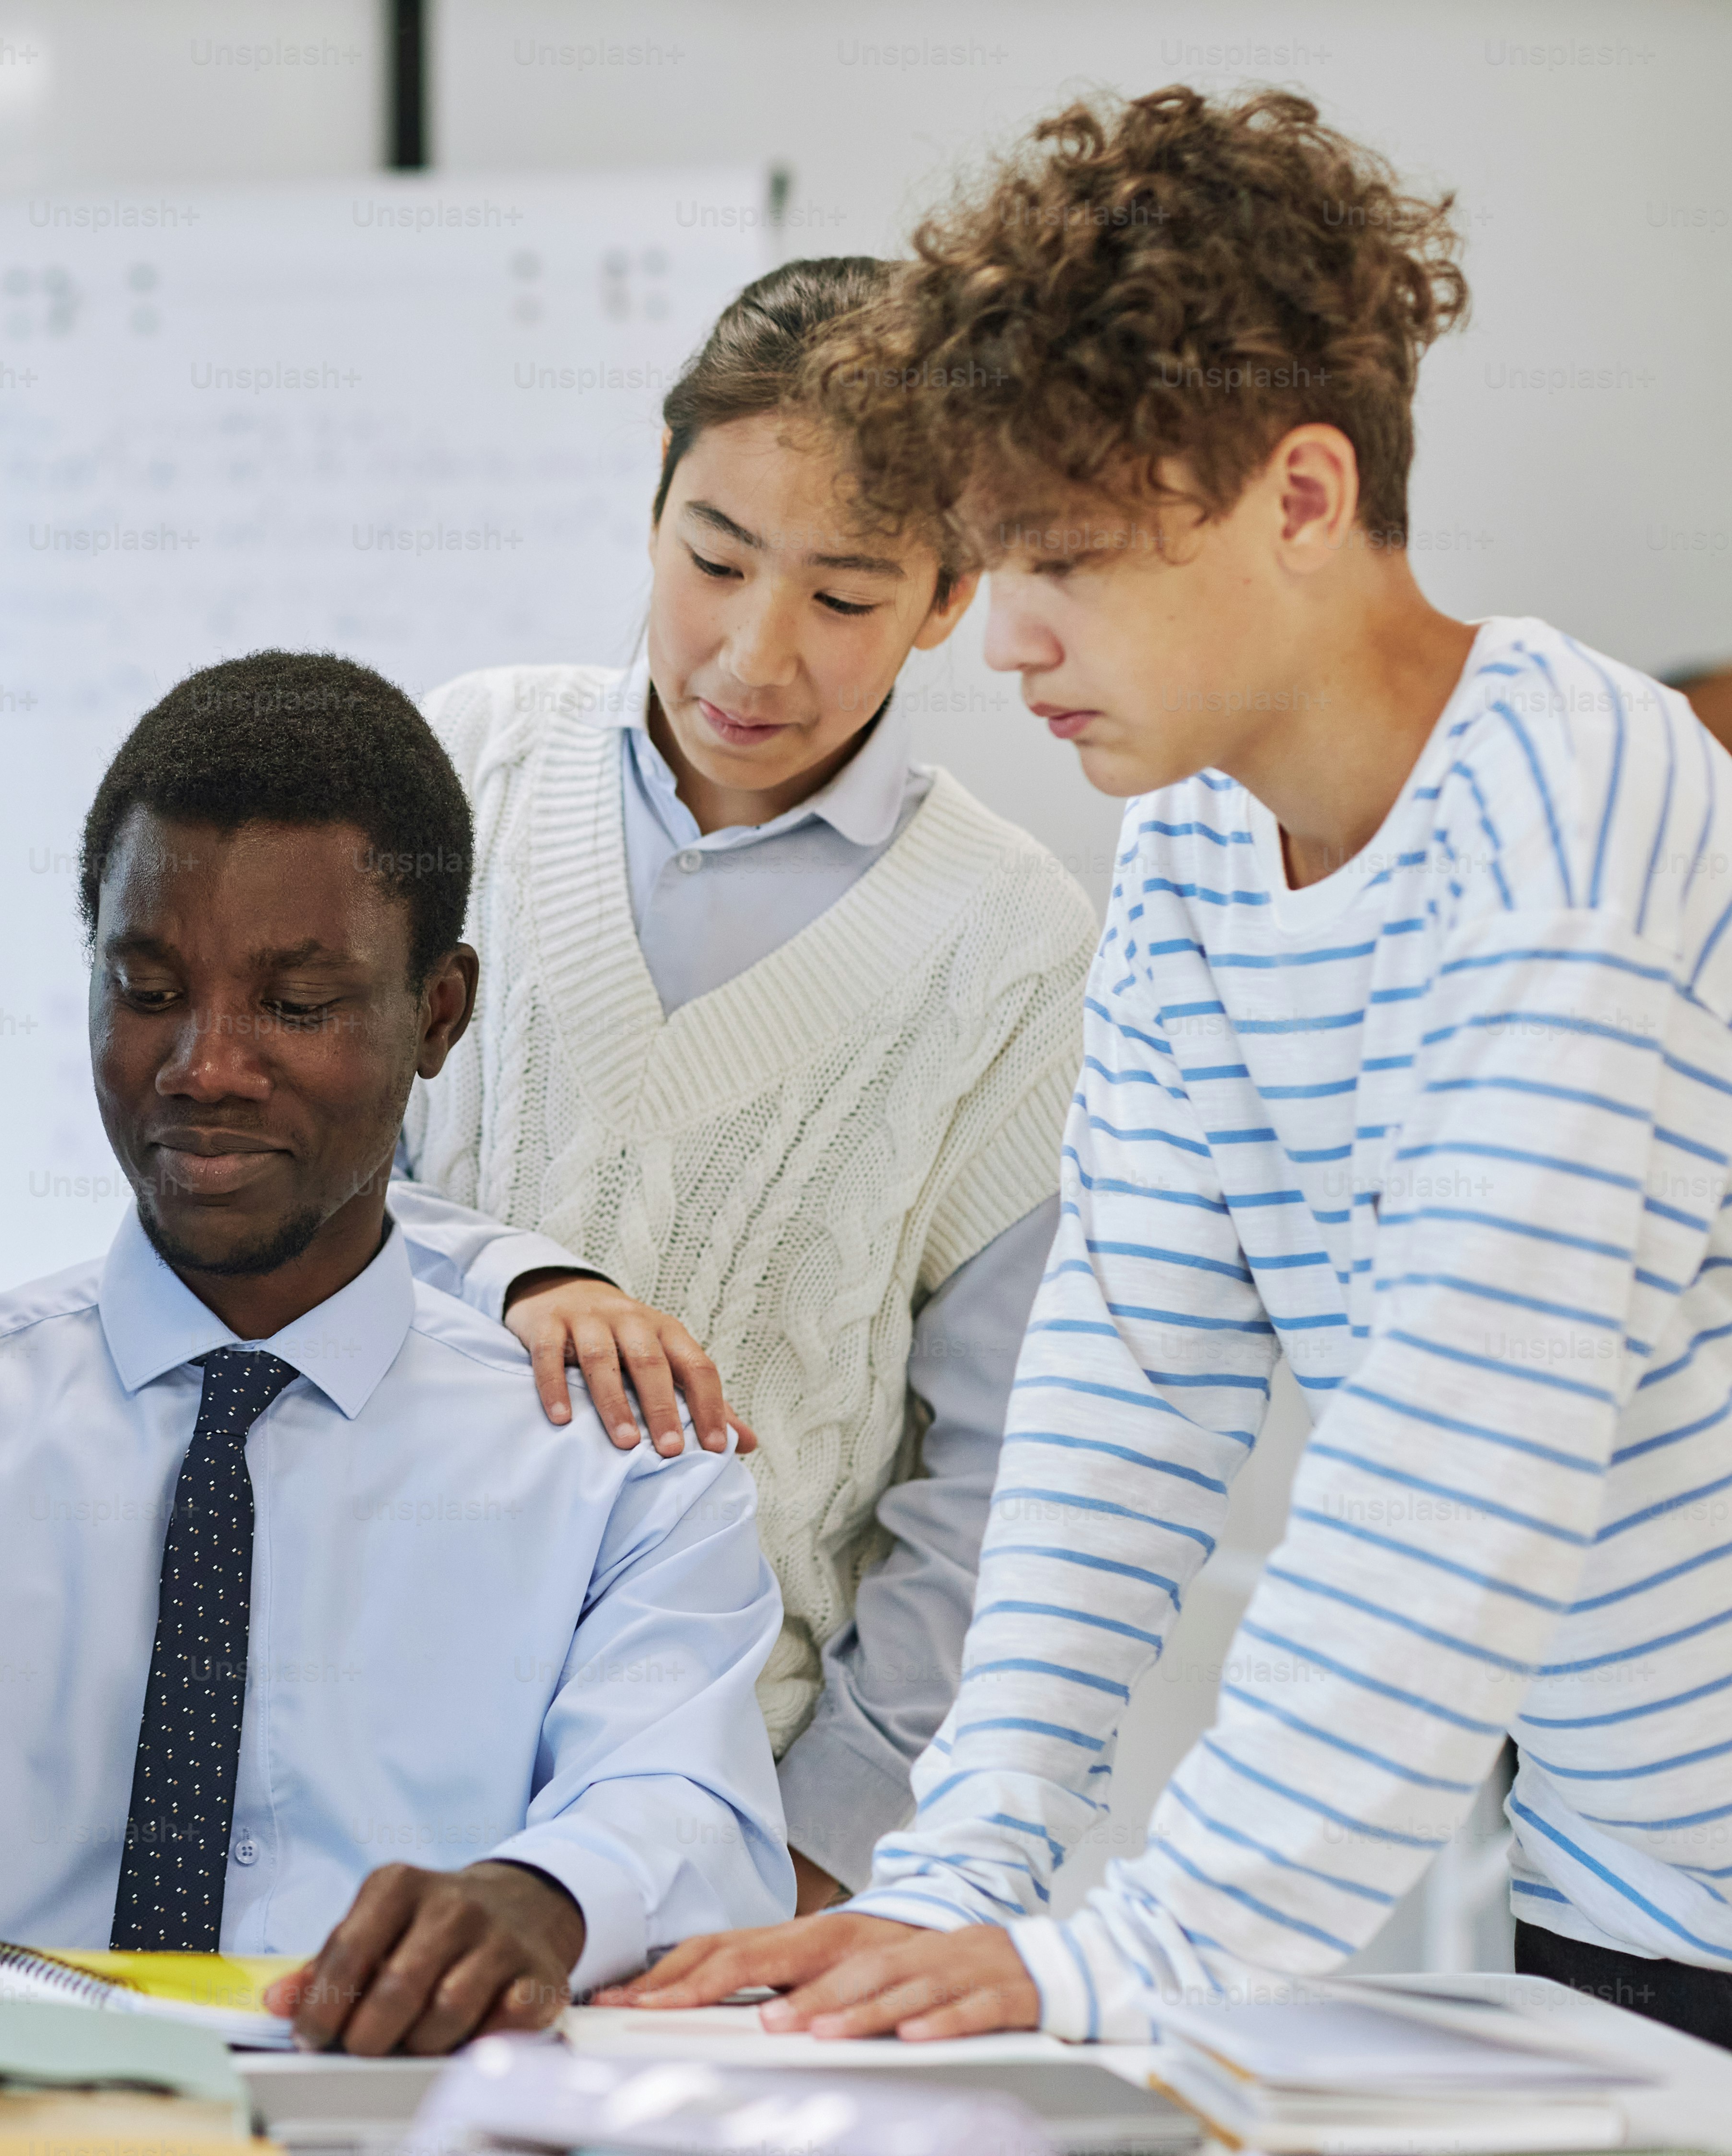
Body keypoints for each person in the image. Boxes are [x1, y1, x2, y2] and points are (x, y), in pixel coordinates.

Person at [620, 86, 1732, 2049]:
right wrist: (961, 1876)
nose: (1015, 638)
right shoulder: (1200, 848)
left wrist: (1129, 1948)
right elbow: (1125, 1401)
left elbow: (1451, 1473)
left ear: (1302, 500)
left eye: (1066, 561)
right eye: (994, 559)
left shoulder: (1573, 810)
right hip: (1615, 1882)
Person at [0, 652, 790, 2056]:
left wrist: (542, 1897)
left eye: (297, 1007)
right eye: (148, 989)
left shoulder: (618, 1469)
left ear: (439, 1014)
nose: (206, 1065)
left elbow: (690, 1818)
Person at [401, 258, 1094, 1915]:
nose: (756, 652)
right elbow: (273, 1199)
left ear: (951, 594)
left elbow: (998, 1482)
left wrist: (813, 1854)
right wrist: (513, 1272)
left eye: (848, 598)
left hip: (722, 1832)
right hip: (365, 1755)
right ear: (655, 492)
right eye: (714, 559)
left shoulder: (1013, 945)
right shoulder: (467, 769)